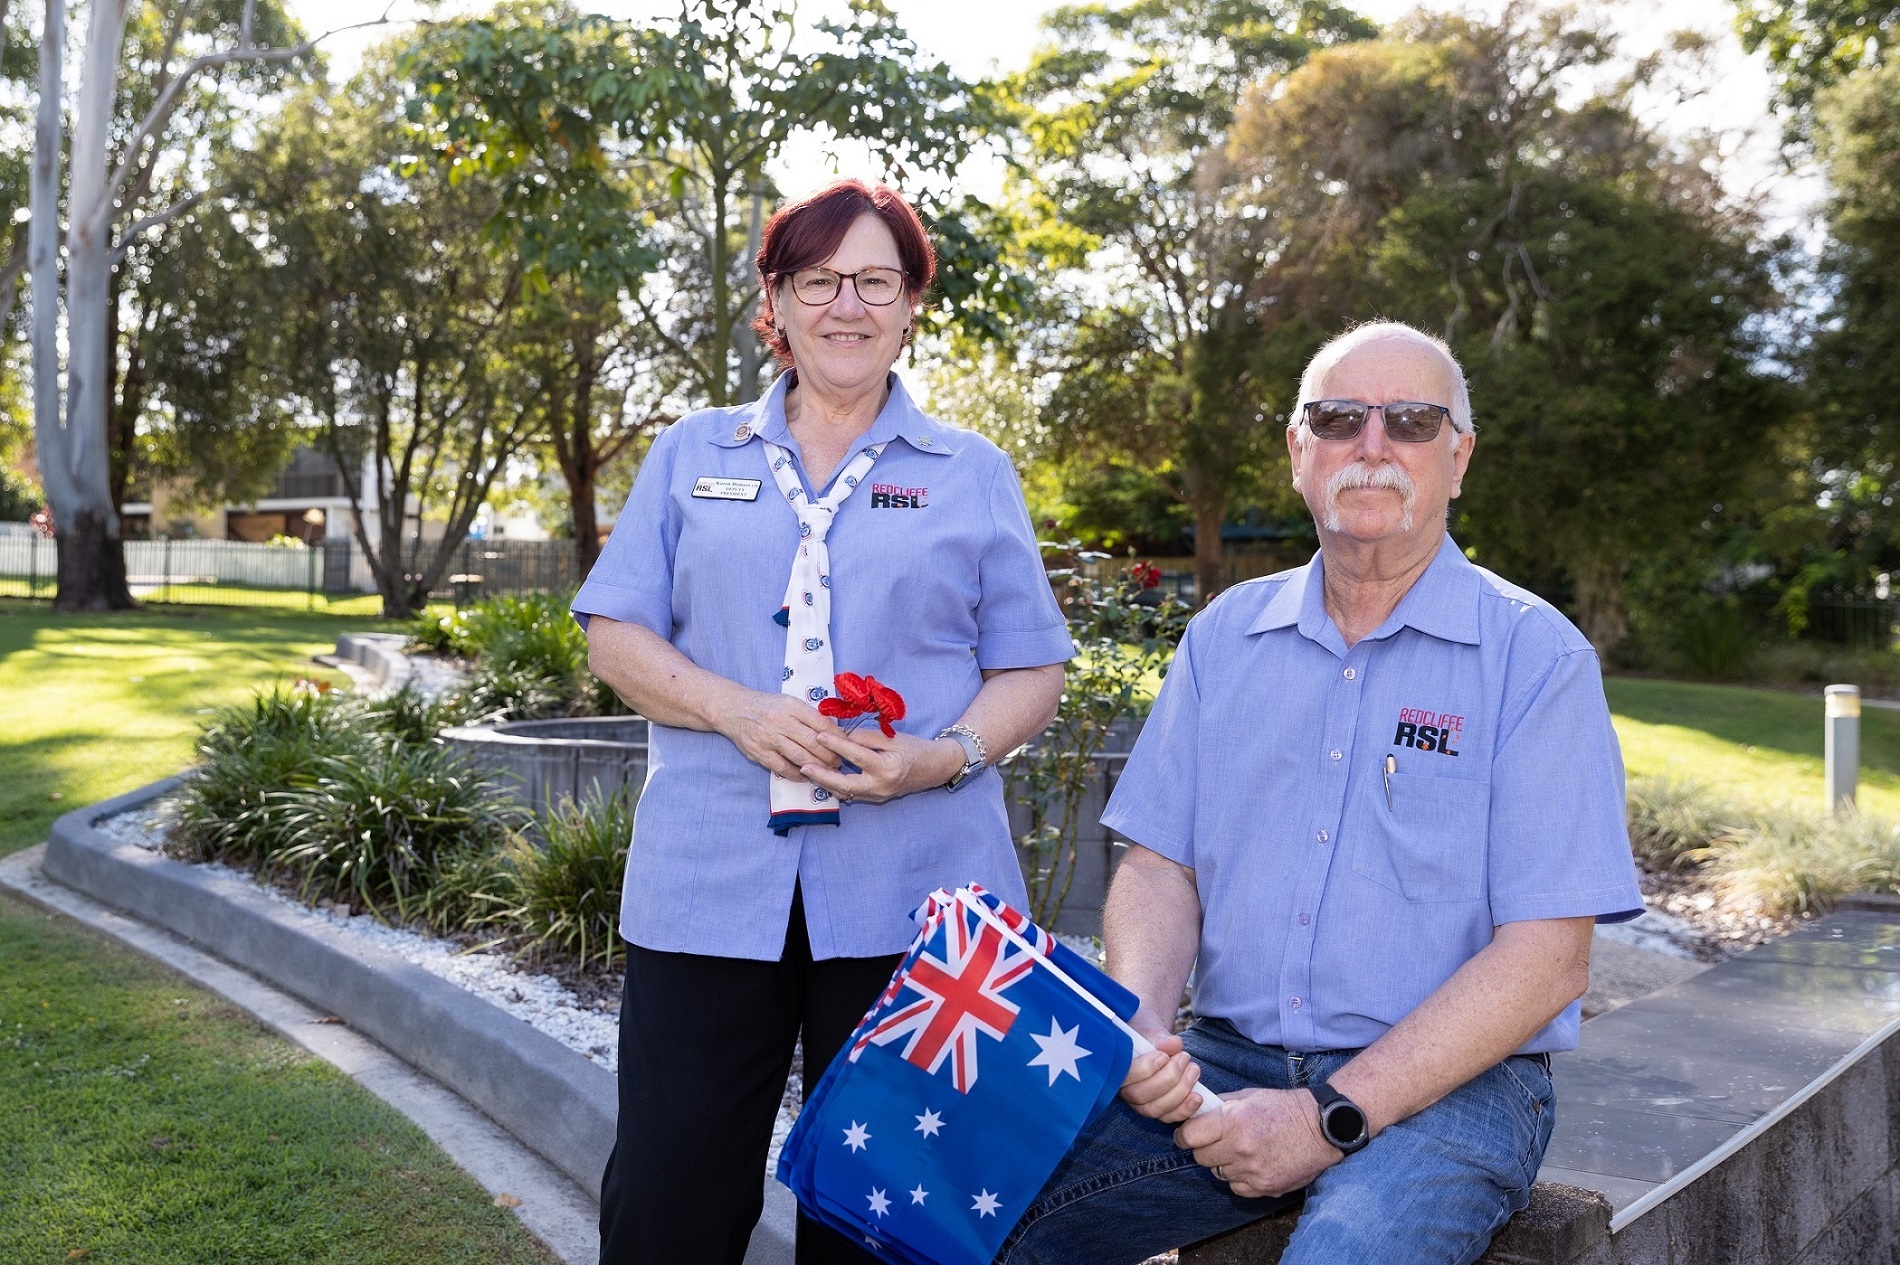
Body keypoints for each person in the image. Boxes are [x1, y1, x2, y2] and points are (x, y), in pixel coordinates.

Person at [999, 321, 1644, 1265]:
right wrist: (1137, 1032)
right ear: (1301, 453)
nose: (1372, 445)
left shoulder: (1535, 659)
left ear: (1459, 458)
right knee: (983, 1206)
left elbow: (1548, 961)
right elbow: (1159, 864)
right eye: (1339, 419)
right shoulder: (1226, 637)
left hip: (1456, 1088)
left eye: (1413, 421)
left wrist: (1328, 1114)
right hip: (1223, 1064)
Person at [573, 179, 1073, 1265]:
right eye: (819, 279)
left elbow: (1032, 666)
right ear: (777, 300)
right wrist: (736, 710)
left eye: (876, 282)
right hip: (709, 888)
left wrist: (941, 758)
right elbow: (614, 632)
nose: (848, 305)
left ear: (909, 307)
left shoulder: (971, 474)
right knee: (668, 1199)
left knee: (884, 1222)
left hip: (920, 903)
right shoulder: (691, 455)